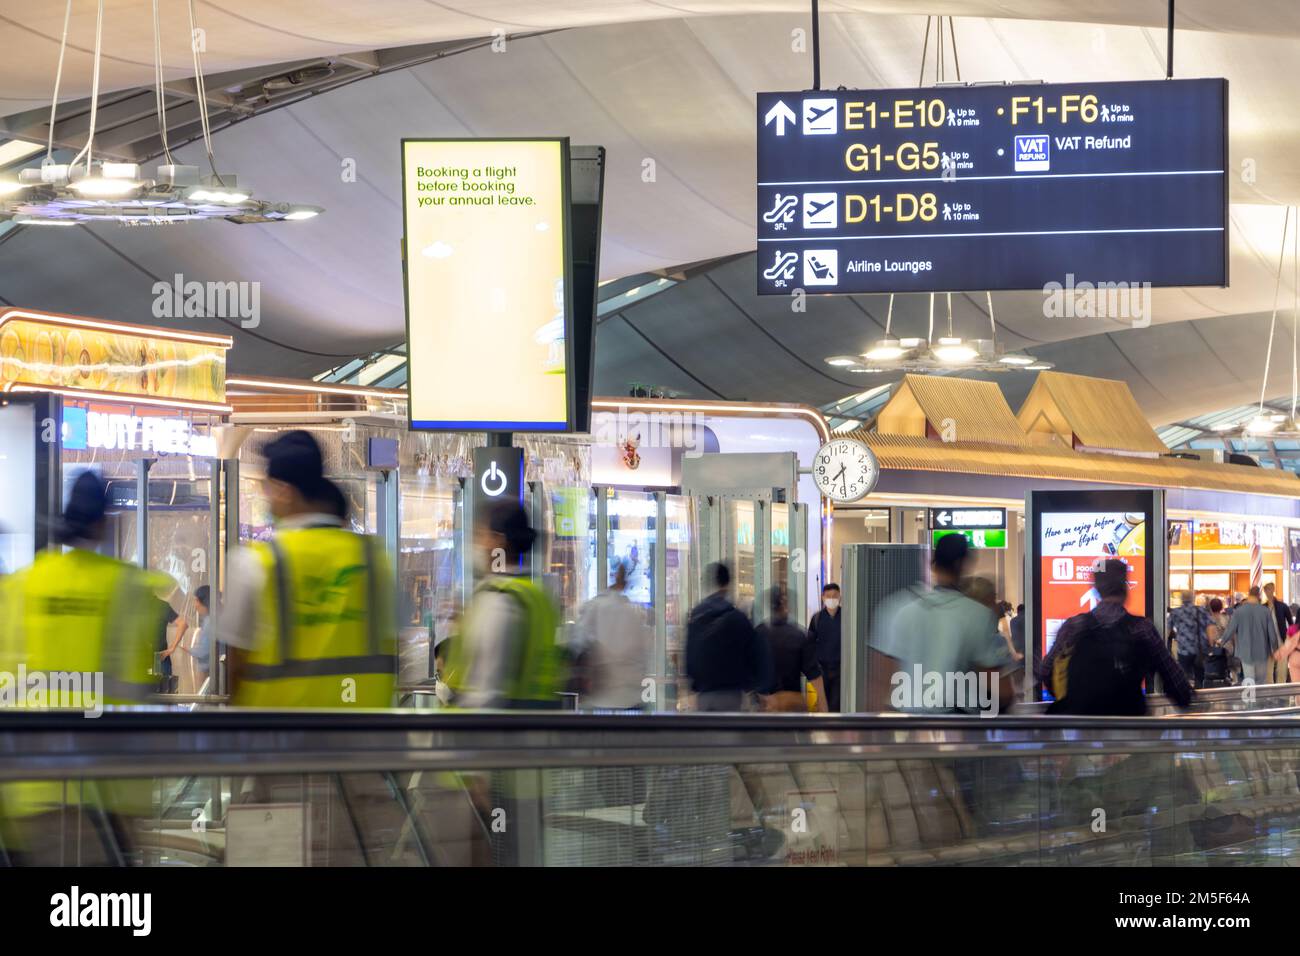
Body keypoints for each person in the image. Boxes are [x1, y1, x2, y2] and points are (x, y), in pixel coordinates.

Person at [0, 472, 163, 863]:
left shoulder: (24, 584)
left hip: (30, 783)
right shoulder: (127, 585)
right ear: (102, 522)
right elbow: (138, 685)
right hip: (108, 784)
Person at [220, 430, 397, 708]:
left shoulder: (255, 564)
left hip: (281, 739)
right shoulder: (375, 561)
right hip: (366, 737)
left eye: (266, 488)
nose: (266, 497)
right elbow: (398, 642)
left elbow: (236, 667)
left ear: (284, 491)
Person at [869, 534, 1015, 714]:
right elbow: (1000, 690)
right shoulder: (977, 616)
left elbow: (881, 685)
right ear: (963, 565)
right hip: (957, 727)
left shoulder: (897, 608)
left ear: (933, 564)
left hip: (908, 724)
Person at [444, 499, 565, 709]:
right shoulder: (539, 598)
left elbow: (487, 693)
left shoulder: (498, 600)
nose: (476, 544)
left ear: (498, 541)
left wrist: (450, 701)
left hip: (492, 734)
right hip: (536, 731)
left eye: (480, 535)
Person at [1041, 559, 1193, 715]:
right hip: (1128, 727)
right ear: (1125, 589)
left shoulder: (1074, 627)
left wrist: (1076, 696)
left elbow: (1046, 671)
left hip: (1080, 729)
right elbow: (1177, 684)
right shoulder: (1141, 629)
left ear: (1097, 588)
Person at [685, 562, 768, 712]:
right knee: (729, 732)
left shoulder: (696, 616)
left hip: (704, 696)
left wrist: (693, 686)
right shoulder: (738, 618)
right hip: (732, 695)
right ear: (728, 584)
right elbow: (755, 656)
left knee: (707, 734)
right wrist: (753, 687)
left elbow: (690, 658)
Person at [571, 561, 653, 710]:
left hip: (600, 698)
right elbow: (644, 656)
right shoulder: (633, 615)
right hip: (630, 698)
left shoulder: (593, 608)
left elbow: (578, 645)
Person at [757, 586, 827, 712]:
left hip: (765, 707)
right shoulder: (799, 636)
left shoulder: (758, 633)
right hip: (792, 707)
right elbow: (814, 673)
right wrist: (822, 703)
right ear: (785, 606)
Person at [1218, 586, 1280, 686]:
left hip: (1245, 652)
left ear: (1248, 594)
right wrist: (1275, 649)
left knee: (1249, 680)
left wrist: (1221, 643)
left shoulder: (1239, 611)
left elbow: (1230, 630)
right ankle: (1261, 701)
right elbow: (1272, 634)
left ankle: (1251, 701)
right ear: (1258, 595)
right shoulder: (1265, 611)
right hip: (1262, 652)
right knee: (1261, 682)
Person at [807, 583, 843, 711]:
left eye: (835, 596)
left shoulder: (846, 617)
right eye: (828, 596)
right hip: (822, 671)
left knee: (836, 705)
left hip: (841, 671)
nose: (832, 599)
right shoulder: (817, 619)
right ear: (823, 597)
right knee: (822, 705)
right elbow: (809, 645)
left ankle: (834, 729)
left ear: (840, 597)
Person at [1168, 590, 1213, 688]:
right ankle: (1199, 692)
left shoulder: (1175, 612)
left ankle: (1186, 694)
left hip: (1183, 649)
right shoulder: (1201, 610)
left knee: (1184, 674)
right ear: (1193, 598)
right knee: (1199, 675)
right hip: (1200, 649)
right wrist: (1211, 644)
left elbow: (1168, 630)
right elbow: (1210, 627)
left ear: (1181, 599)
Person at [154, 592, 188, 694]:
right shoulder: (160, 605)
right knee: (165, 698)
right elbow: (183, 624)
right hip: (159, 657)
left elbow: (183, 624)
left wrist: (171, 648)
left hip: (157, 658)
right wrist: (171, 649)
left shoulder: (133, 607)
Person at [1263, 583, 1294, 683]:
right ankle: (1269, 691)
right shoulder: (1263, 607)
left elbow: (1291, 623)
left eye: (1269, 589)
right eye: (1266, 590)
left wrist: (1290, 638)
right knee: (1268, 668)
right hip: (1267, 641)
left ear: (1273, 590)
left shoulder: (1282, 606)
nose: (1268, 592)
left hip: (1281, 639)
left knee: (1281, 668)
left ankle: (1281, 692)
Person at [191, 584, 213, 693]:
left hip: (208, 673)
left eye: (196, 601)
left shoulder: (211, 622)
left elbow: (205, 651)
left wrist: (188, 649)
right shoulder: (209, 620)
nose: (195, 605)